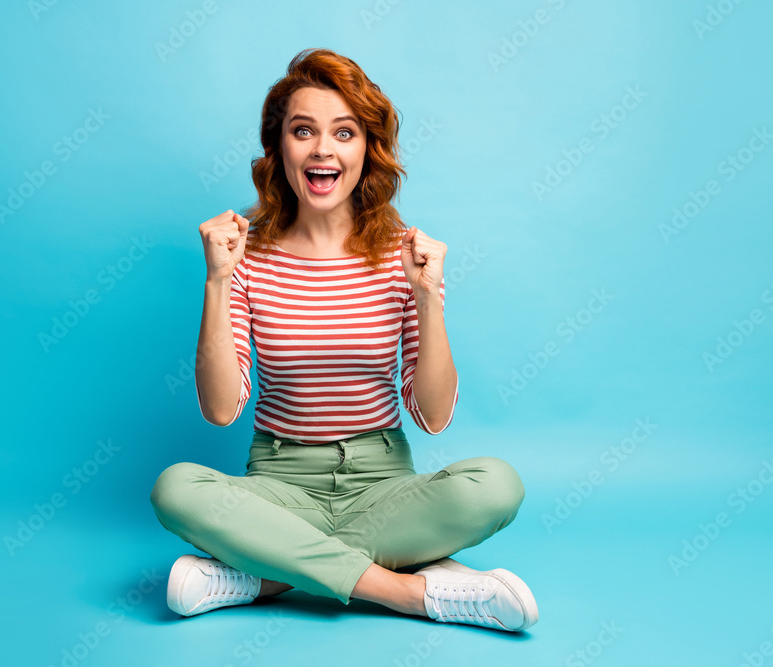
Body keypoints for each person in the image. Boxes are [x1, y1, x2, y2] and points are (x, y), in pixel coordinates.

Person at [149, 48, 538, 632]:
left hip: (384, 486)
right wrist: (217, 281)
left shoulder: (401, 254)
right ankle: (410, 590)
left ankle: (263, 575)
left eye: (345, 132)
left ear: (366, 151)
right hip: (279, 486)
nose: (322, 149)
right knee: (176, 487)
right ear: (280, 149)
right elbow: (220, 410)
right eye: (303, 131)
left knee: (496, 484)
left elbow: (433, 417)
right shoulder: (244, 255)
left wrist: (428, 296)